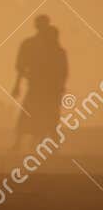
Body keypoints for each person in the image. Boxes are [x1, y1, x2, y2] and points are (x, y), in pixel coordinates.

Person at [12, 16, 67, 151]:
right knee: (40, 114)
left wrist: (18, 84)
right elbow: (21, 66)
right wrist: (18, 84)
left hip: (46, 87)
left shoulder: (50, 47)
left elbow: (62, 71)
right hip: (40, 87)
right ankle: (23, 144)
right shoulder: (33, 44)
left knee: (43, 114)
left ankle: (28, 144)